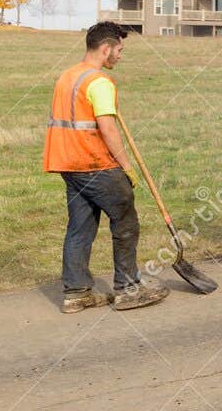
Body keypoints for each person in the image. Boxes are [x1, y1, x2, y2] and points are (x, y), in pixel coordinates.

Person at [43, 22, 168, 313]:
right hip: (95, 163)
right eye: (119, 50)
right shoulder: (99, 82)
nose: (120, 56)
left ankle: (76, 294)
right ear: (105, 48)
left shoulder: (67, 76)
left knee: (80, 228)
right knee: (125, 221)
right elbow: (108, 129)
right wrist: (126, 166)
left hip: (67, 164)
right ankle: (127, 288)